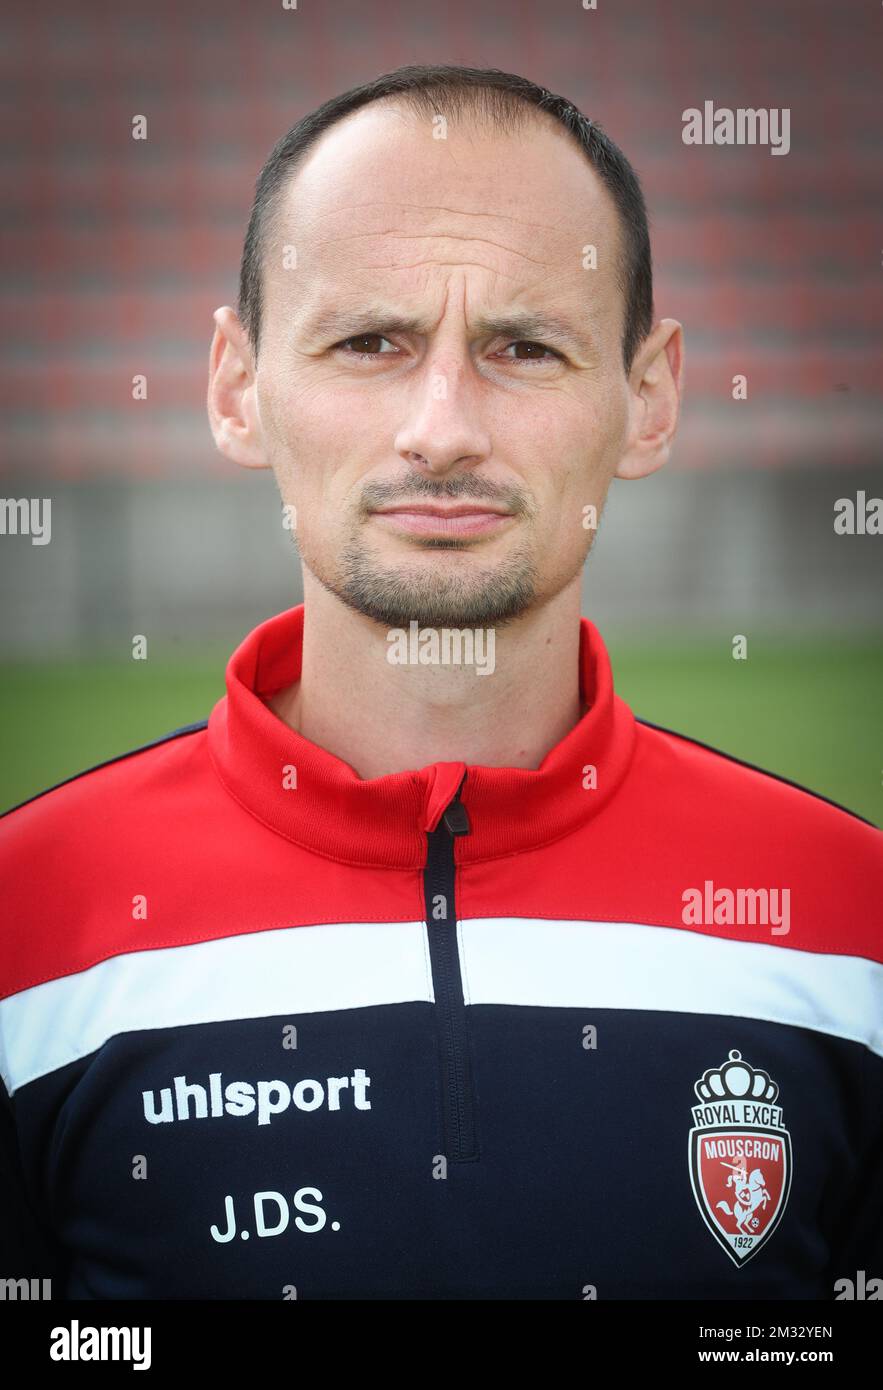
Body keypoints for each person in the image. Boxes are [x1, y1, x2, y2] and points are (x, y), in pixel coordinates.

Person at [1, 64, 880, 1300]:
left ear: (649, 394)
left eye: (524, 346)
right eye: (370, 341)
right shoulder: (26, 922)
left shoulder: (851, 922)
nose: (441, 426)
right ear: (235, 386)